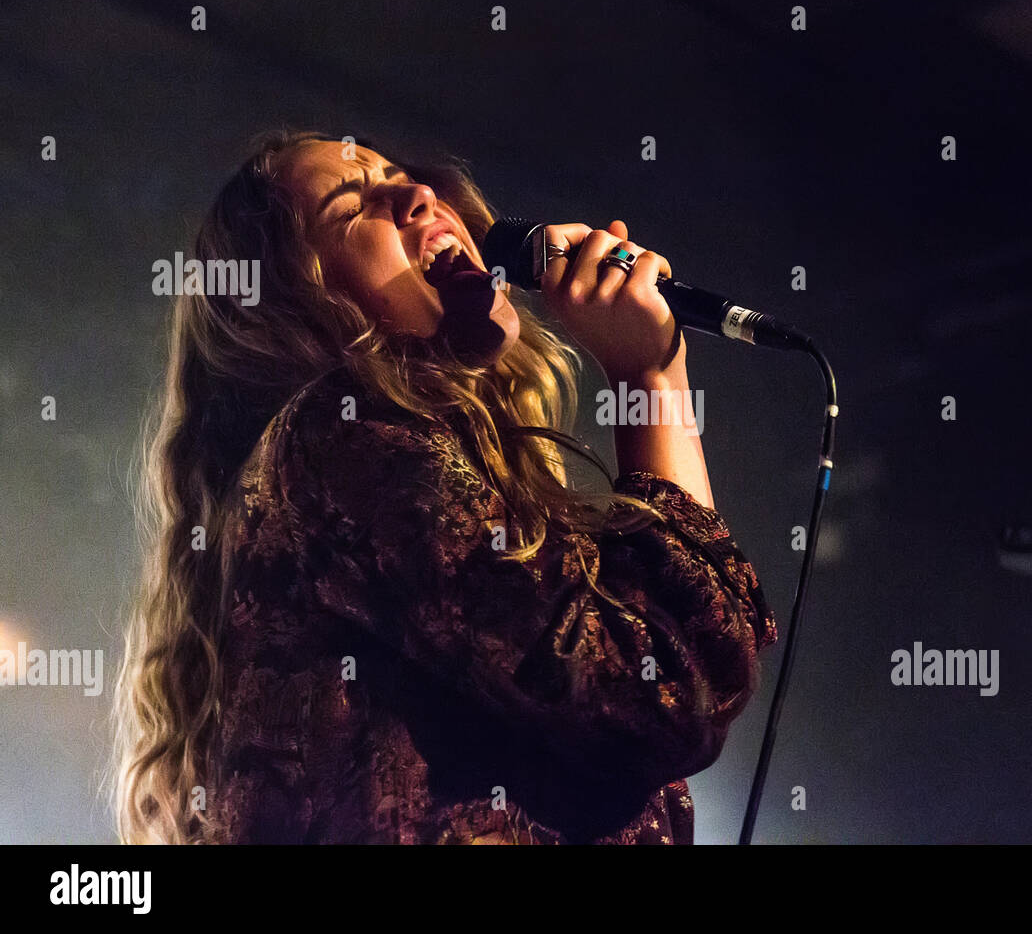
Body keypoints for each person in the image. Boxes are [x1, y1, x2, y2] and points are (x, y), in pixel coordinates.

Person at [112, 129, 778, 843]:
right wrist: (652, 379)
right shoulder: (338, 435)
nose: (416, 193)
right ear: (296, 311)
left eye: (398, 172)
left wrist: (657, 374)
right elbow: (663, 695)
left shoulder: (417, 481)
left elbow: (694, 667)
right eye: (352, 205)